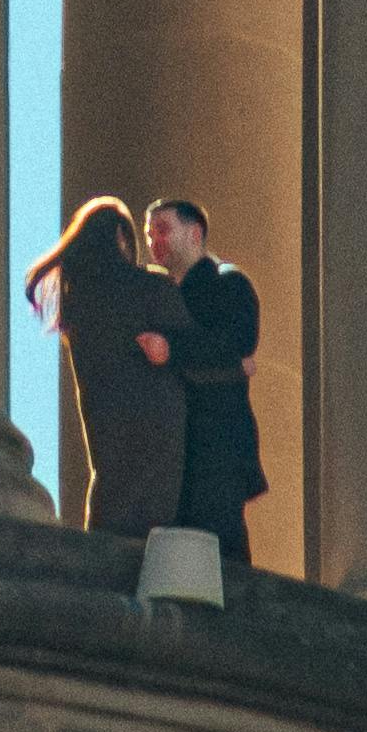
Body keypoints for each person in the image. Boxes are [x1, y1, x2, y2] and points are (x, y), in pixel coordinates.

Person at [18, 195, 184, 538]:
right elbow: (193, 346)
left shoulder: (77, 306)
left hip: (105, 433)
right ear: (121, 237)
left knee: (108, 505)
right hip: (159, 432)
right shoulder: (153, 288)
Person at [141, 195, 265, 574]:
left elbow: (237, 341)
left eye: (163, 230)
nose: (154, 241)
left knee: (223, 555)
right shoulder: (158, 294)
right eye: (149, 234)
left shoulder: (230, 284)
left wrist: (172, 349)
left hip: (216, 444)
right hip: (176, 446)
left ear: (194, 233)